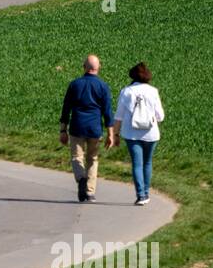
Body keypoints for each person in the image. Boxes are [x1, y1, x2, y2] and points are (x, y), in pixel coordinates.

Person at [59, 54, 115, 203]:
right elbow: (108, 111)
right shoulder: (103, 86)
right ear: (98, 68)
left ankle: (81, 178)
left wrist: (63, 130)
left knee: (77, 157)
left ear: (84, 67)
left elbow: (66, 109)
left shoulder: (75, 84)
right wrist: (111, 134)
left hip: (77, 126)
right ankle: (90, 192)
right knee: (92, 159)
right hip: (94, 128)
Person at [112, 62, 165, 206]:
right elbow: (160, 116)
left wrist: (114, 135)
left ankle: (141, 195)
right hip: (151, 133)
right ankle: (146, 193)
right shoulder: (153, 91)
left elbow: (119, 116)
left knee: (137, 163)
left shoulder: (126, 91)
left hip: (131, 134)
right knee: (147, 162)